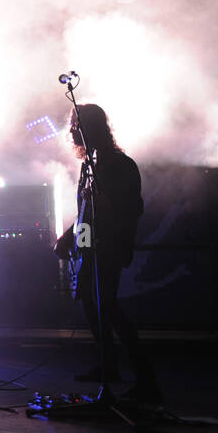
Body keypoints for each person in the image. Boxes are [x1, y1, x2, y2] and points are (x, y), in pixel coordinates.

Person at [53, 103, 161, 404]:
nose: (73, 131)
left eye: (77, 124)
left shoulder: (119, 165)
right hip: (92, 249)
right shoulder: (92, 166)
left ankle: (147, 380)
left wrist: (108, 215)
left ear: (92, 128)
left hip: (109, 248)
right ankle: (109, 366)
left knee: (108, 308)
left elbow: (129, 209)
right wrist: (68, 237)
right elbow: (87, 211)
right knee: (94, 306)